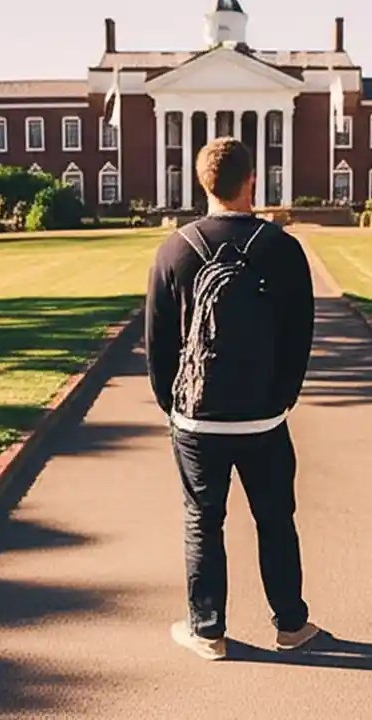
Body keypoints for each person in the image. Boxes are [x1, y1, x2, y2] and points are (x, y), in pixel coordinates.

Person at [145, 136, 319, 661]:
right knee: (275, 518)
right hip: (264, 419)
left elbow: (158, 345)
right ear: (251, 182)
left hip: (197, 420)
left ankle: (208, 630)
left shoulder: (174, 249)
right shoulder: (283, 248)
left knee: (202, 519)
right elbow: (300, 338)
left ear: (203, 184)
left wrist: (174, 407)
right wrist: (280, 400)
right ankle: (290, 623)